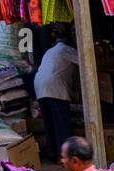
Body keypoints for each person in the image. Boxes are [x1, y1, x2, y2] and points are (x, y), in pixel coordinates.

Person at [32, 29, 78, 163]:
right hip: (54, 88)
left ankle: (52, 153)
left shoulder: (50, 51)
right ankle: (64, 156)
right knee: (60, 122)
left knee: (49, 122)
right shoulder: (65, 50)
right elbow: (86, 61)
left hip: (40, 86)